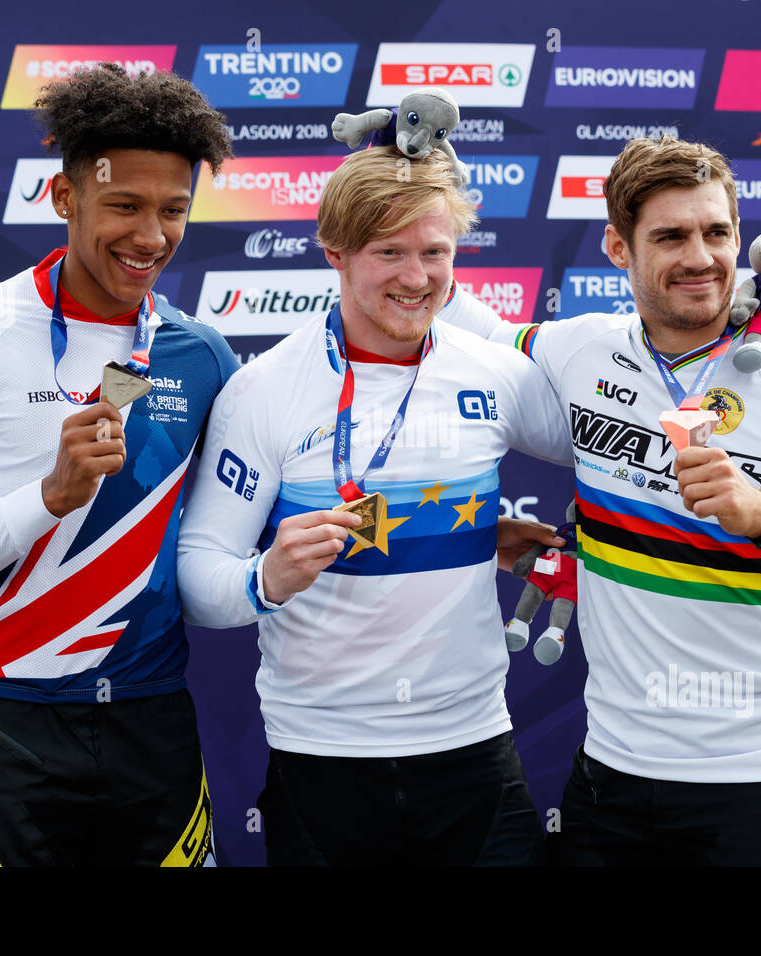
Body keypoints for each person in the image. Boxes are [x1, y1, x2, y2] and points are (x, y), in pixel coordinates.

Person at [445, 135, 761, 866]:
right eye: (670, 236)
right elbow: (458, 316)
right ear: (617, 247)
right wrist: (411, 172)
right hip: (611, 776)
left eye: (717, 232)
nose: (701, 257)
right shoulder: (581, 351)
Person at [0, 65, 236, 866]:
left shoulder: (203, 354)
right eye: (124, 206)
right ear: (64, 199)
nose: (151, 236)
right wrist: (51, 496)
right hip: (1, 726)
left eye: (174, 210)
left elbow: (246, 529)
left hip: (152, 726)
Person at [176, 146, 574, 866]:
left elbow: (617, 448)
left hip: (475, 751)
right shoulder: (264, 389)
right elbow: (200, 573)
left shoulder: (493, 372)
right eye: (389, 251)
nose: (416, 277)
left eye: (435, 252)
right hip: (322, 761)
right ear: (336, 251)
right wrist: (264, 579)